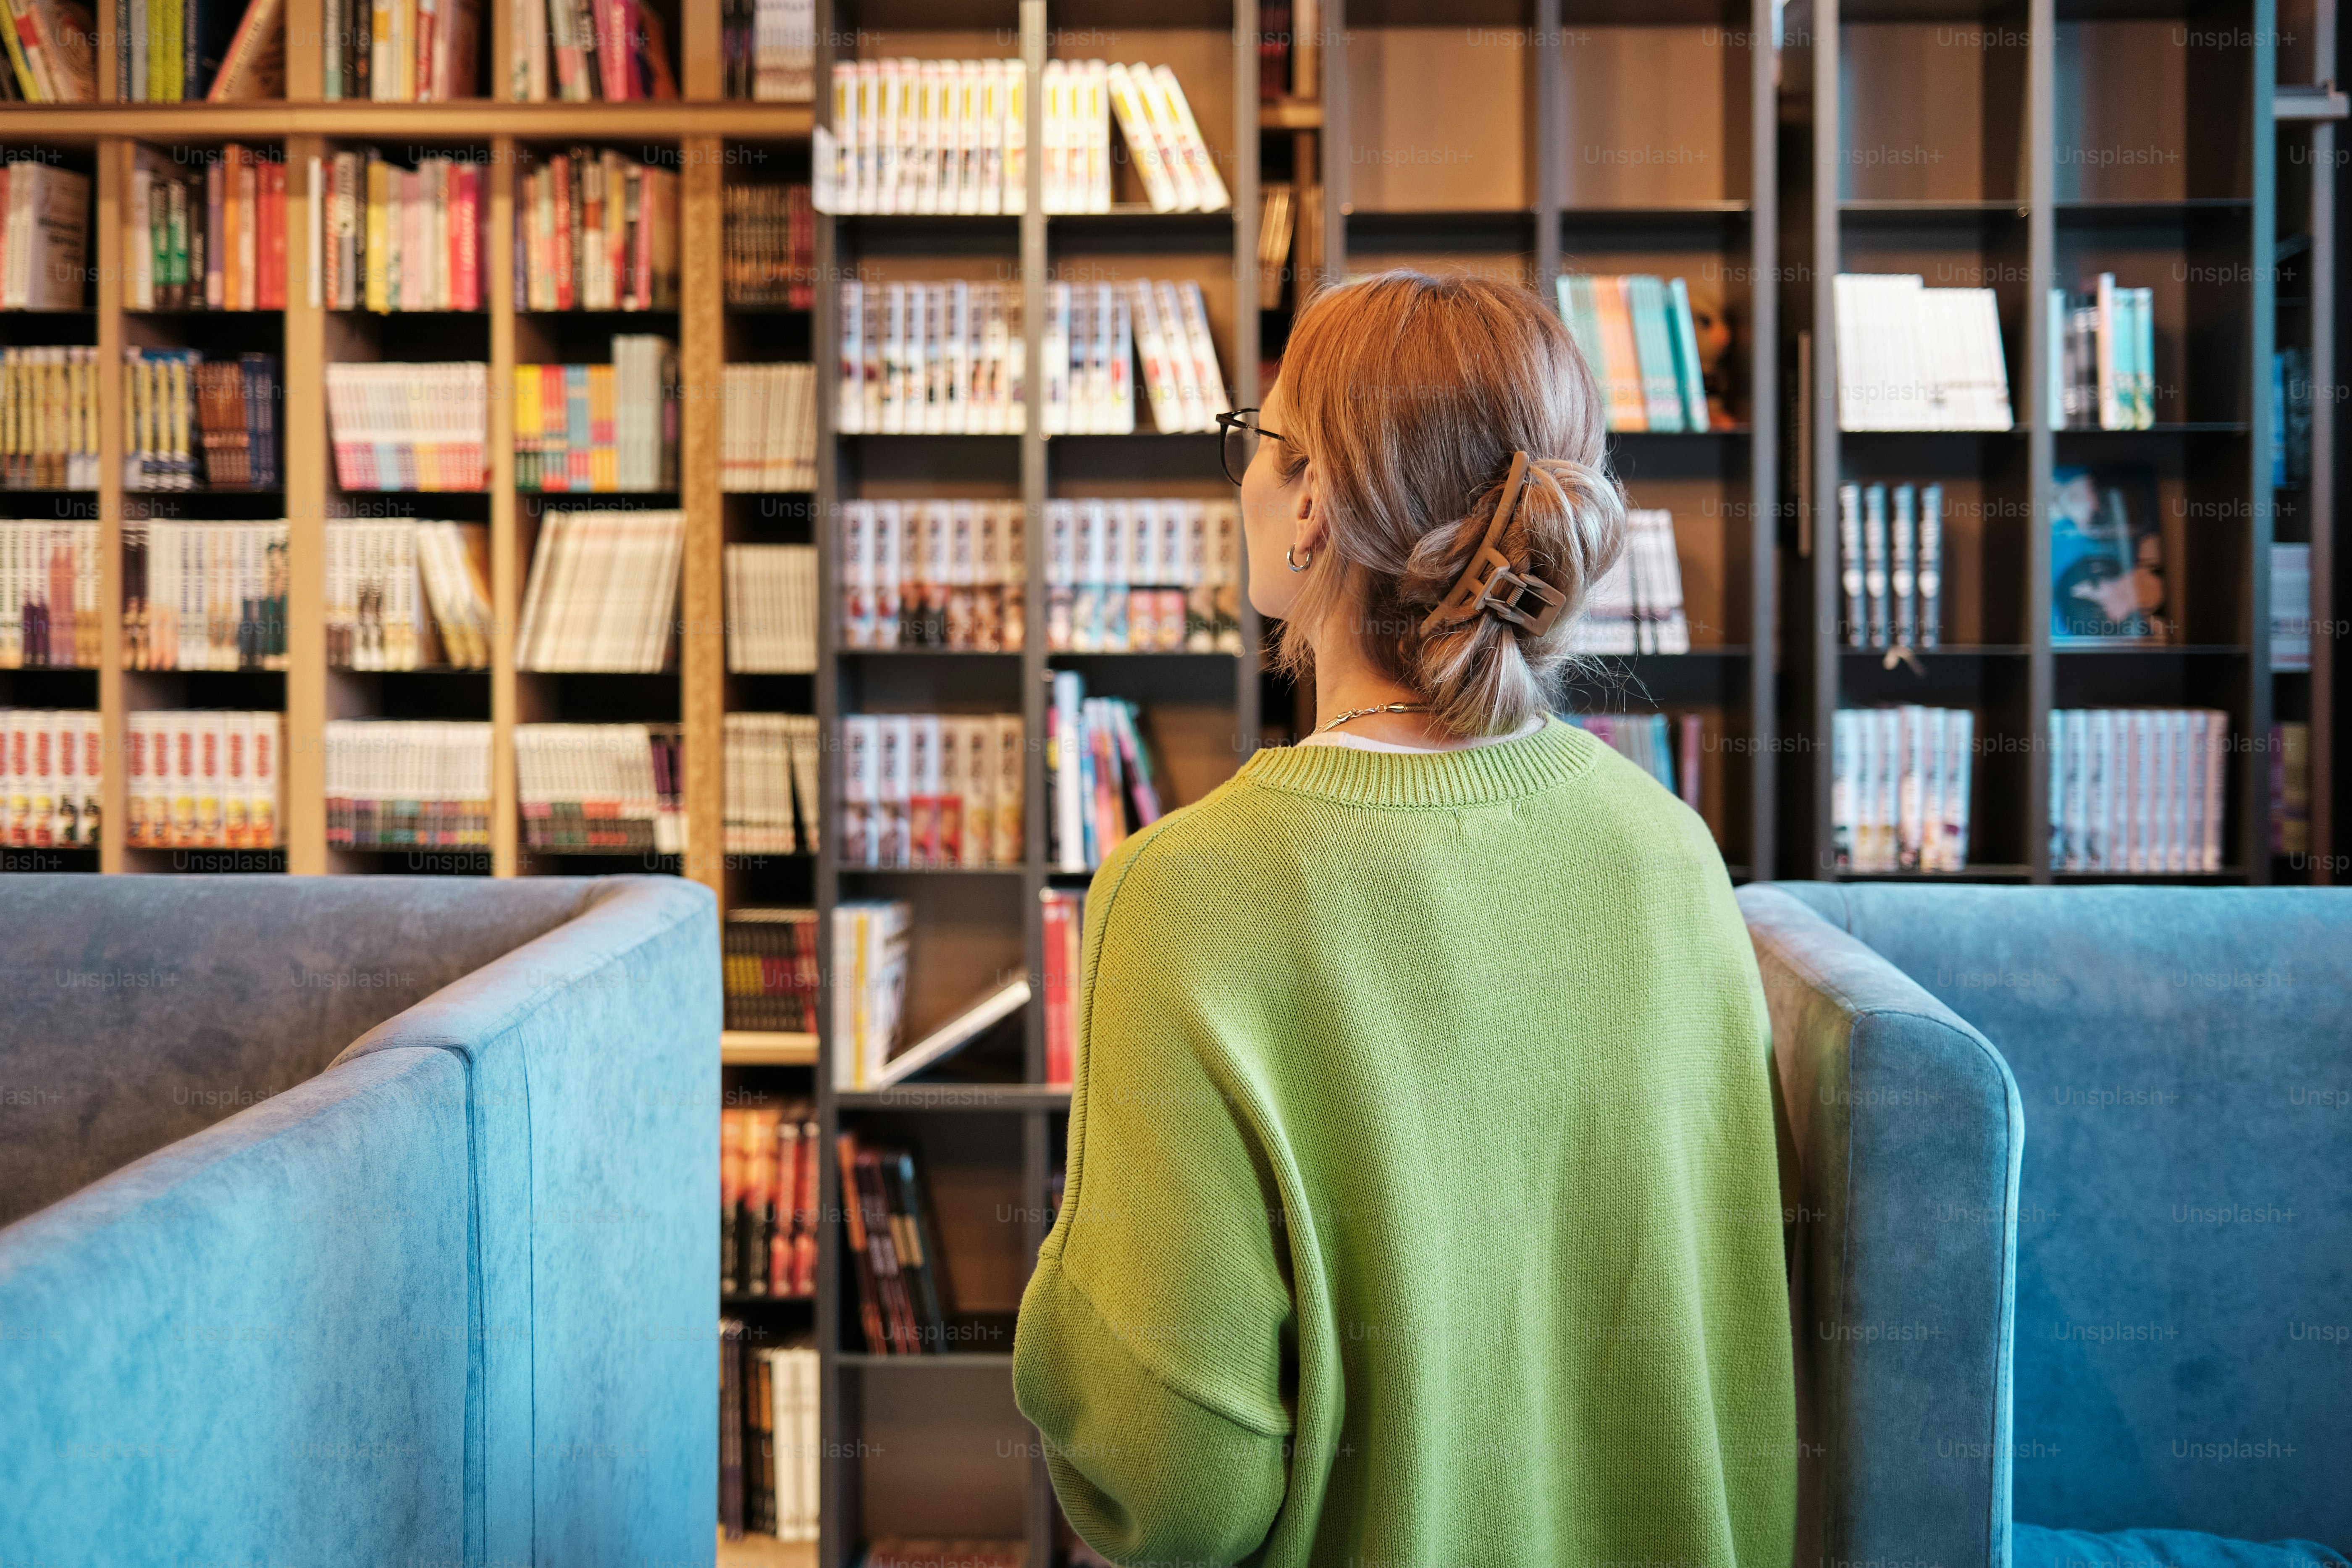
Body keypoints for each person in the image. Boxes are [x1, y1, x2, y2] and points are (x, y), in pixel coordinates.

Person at [1012, 270, 1796, 1568]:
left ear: (1311, 499)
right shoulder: (1675, 855)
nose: (1244, 479)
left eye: (1254, 442)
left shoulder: (1180, 897)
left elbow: (1180, 1492)